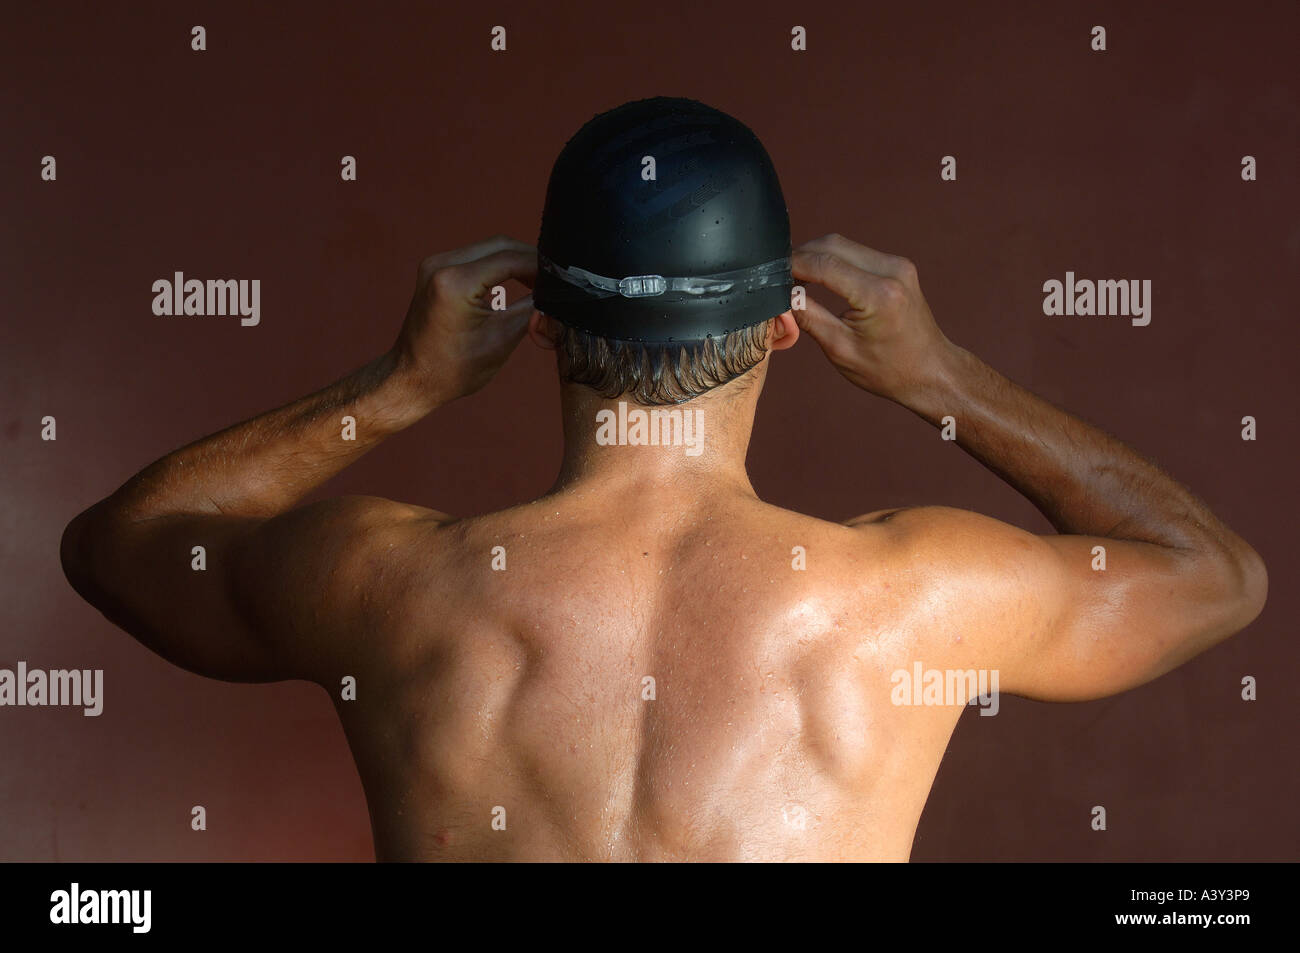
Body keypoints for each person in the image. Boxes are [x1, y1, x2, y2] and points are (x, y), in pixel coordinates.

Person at [60, 98, 1266, 861]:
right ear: (784, 326)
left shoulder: (388, 583)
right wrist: (941, 379)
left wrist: (400, 384)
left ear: (535, 322)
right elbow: (1209, 577)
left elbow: (124, 541)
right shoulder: (915, 599)